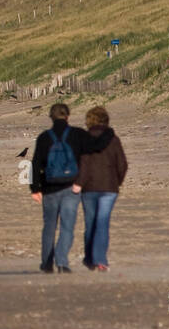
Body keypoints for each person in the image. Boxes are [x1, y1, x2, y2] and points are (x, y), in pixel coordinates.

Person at [31, 102, 114, 273]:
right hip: (71, 188)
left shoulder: (44, 137)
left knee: (49, 227)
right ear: (67, 116)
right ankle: (62, 262)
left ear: (51, 118)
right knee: (67, 227)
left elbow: (36, 164)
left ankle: (47, 263)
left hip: (49, 189)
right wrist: (109, 132)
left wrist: (35, 189)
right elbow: (96, 146)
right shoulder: (77, 134)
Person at [74, 106, 128, 272]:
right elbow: (122, 164)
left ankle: (90, 259)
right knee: (102, 223)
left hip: (88, 188)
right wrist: (117, 182)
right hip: (109, 188)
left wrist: (78, 183)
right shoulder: (114, 139)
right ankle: (101, 261)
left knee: (90, 223)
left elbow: (82, 164)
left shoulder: (84, 139)